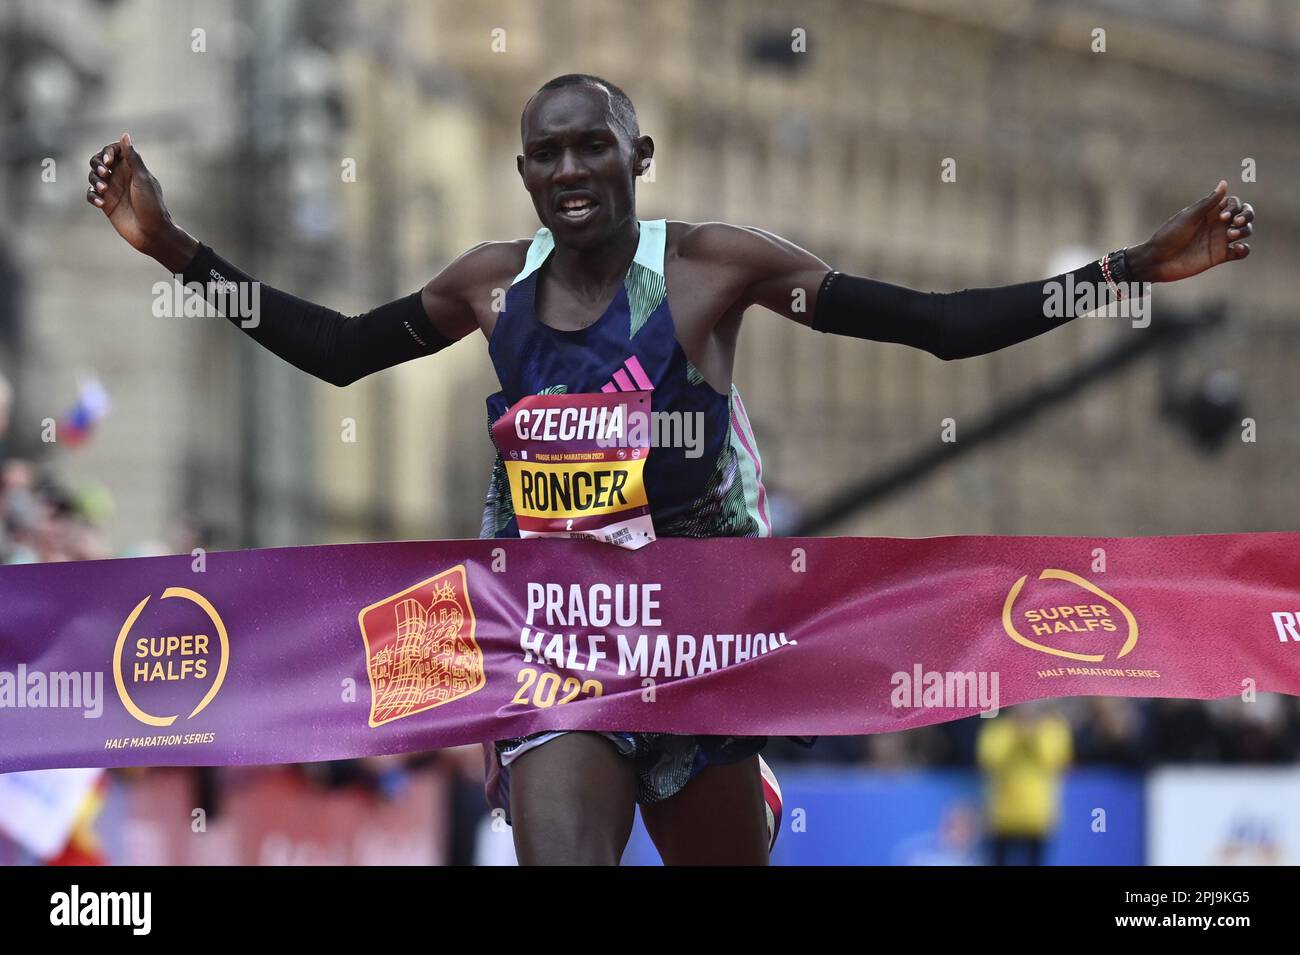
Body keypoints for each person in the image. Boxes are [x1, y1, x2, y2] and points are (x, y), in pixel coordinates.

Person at [87, 73, 1255, 865]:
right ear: (524, 174)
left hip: (702, 636)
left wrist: (1128, 268)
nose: (569, 169)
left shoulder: (712, 269)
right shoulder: (489, 284)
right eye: (544, 155)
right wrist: (177, 248)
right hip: (552, 639)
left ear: (638, 154)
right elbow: (340, 353)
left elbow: (935, 326)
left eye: (591, 145)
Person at [977, 704, 1073, 866]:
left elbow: (1053, 761)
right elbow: (990, 760)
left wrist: (1033, 735)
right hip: (1002, 815)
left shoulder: (1053, 728)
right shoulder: (998, 727)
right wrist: (1014, 735)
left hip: (1038, 816)